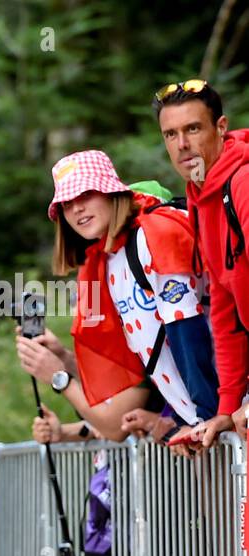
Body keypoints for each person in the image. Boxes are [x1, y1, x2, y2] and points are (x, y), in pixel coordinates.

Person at [18, 150, 216, 447]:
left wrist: (211, 415)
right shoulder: (107, 260)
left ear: (111, 191)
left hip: (226, 416)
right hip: (204, 427)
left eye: (86, 194)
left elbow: (188, 329)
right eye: (66, 204)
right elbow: (143, 362)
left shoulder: (152, 233)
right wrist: (66, 360)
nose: (77, 210)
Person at [149, 81, 249, 450]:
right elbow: (226, 313)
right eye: (170, 134)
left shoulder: (243, 182)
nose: (182, 144)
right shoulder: (201, 199)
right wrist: (227, 407)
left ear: (220, 128)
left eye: (193, 129)